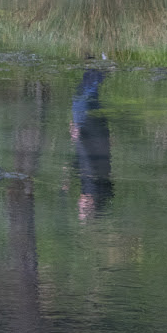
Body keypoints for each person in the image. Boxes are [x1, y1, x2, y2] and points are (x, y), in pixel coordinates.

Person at [70, 67, 112, 221]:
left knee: (88, 96)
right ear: (90, 204)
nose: (78, 204)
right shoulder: (90, 187)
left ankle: (93, 64)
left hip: (97, 131)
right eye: (81, 208)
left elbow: (86, 161)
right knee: (81, 98)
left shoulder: (96, 186)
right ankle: (102, 67)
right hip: (88, 129)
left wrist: (70, 168)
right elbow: (87, 159)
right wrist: (78, 135)